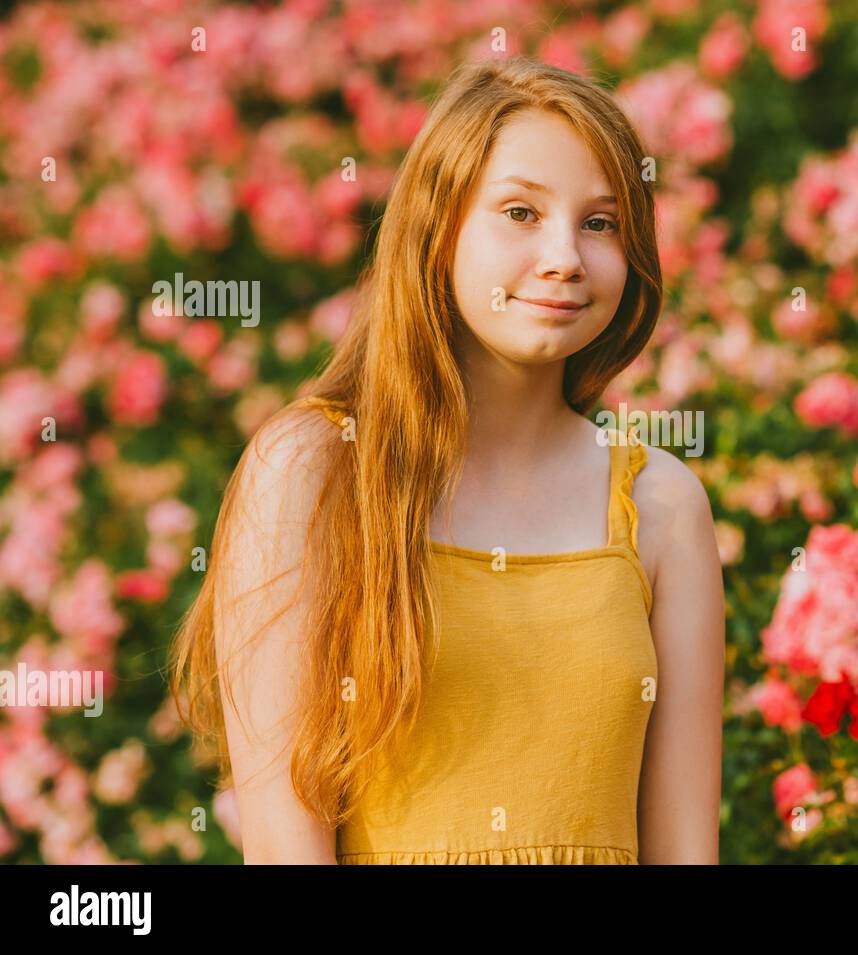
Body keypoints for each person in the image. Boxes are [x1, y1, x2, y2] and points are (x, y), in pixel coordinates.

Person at [168, 55, 725, 865]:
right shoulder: (312, 471)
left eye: (600, 222)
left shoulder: (665, 504)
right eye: (521, 212)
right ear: (438, 228)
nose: (565, 255)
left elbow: (685, 854)